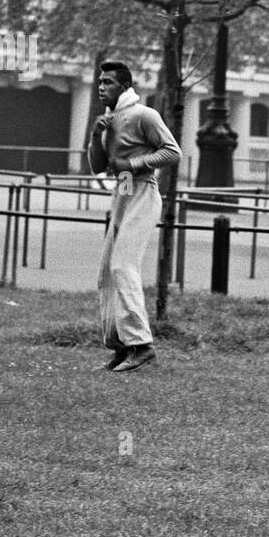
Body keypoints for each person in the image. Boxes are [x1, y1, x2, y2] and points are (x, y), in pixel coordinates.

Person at [87, 60, 182, 373]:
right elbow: (98, 167)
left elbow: (172, 152)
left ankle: (142, 346)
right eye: (100, 82)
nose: (102, 87)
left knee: (123, 266)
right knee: (106, 272)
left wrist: (136, 163)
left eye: (109, 82)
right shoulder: (109, 118)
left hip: (142, 192)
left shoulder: (144, 115)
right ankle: (120, 346)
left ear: (124, 86)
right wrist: (95, 136)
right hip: (121, 195)